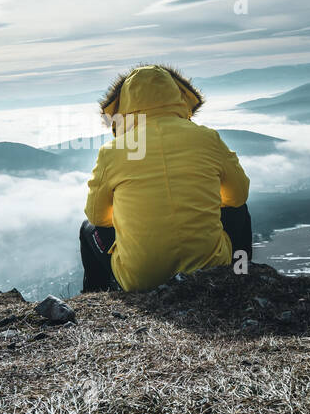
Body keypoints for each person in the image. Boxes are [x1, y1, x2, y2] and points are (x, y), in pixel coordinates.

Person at [79, 64, 252, 293]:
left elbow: (96, 216)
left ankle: (94, 297)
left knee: (88, 228)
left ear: (125, 107)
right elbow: (239, 195)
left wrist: (131, 219)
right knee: (239, 211)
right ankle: (242, 275)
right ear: (177, 97)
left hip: (141, 279)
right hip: (210, 265)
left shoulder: (112, 152)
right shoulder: (208, 138)